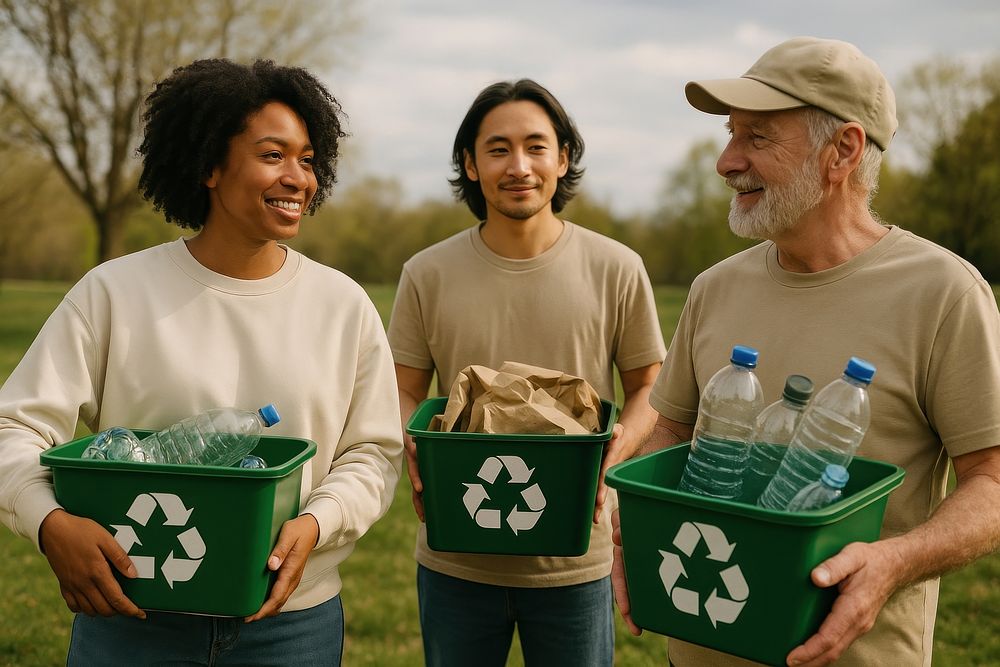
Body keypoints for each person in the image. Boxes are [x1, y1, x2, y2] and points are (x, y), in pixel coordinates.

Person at [611, 36, 1000, 666]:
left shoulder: (944, 293)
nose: (725, 161)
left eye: (757, 138)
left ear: (842, 151)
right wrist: (634, 527)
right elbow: (672, 435)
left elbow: (992, 482)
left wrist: (894, 562)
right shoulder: (714, 288)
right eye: (730, 134)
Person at [0, 58, 403, 665]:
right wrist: (50, 522)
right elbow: (14, 427)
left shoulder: (343, 305)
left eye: (308, 160)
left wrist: (320, 521)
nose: (299, 177)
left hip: (291, 627)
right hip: (133, 619)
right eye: (273, 155)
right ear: (210, 164)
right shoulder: (114, 292)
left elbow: (372, 452)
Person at [387, 79, 666, 666]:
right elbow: (405, 384)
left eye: (537, 147)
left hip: (575, 559)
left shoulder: (617, 268)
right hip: (456, 554)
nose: (519, 166)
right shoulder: (426, 272)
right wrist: (411, 435)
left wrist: (620, 446)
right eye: (497, 149)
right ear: (469, 163)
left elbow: (649, 385)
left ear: (563, 159)